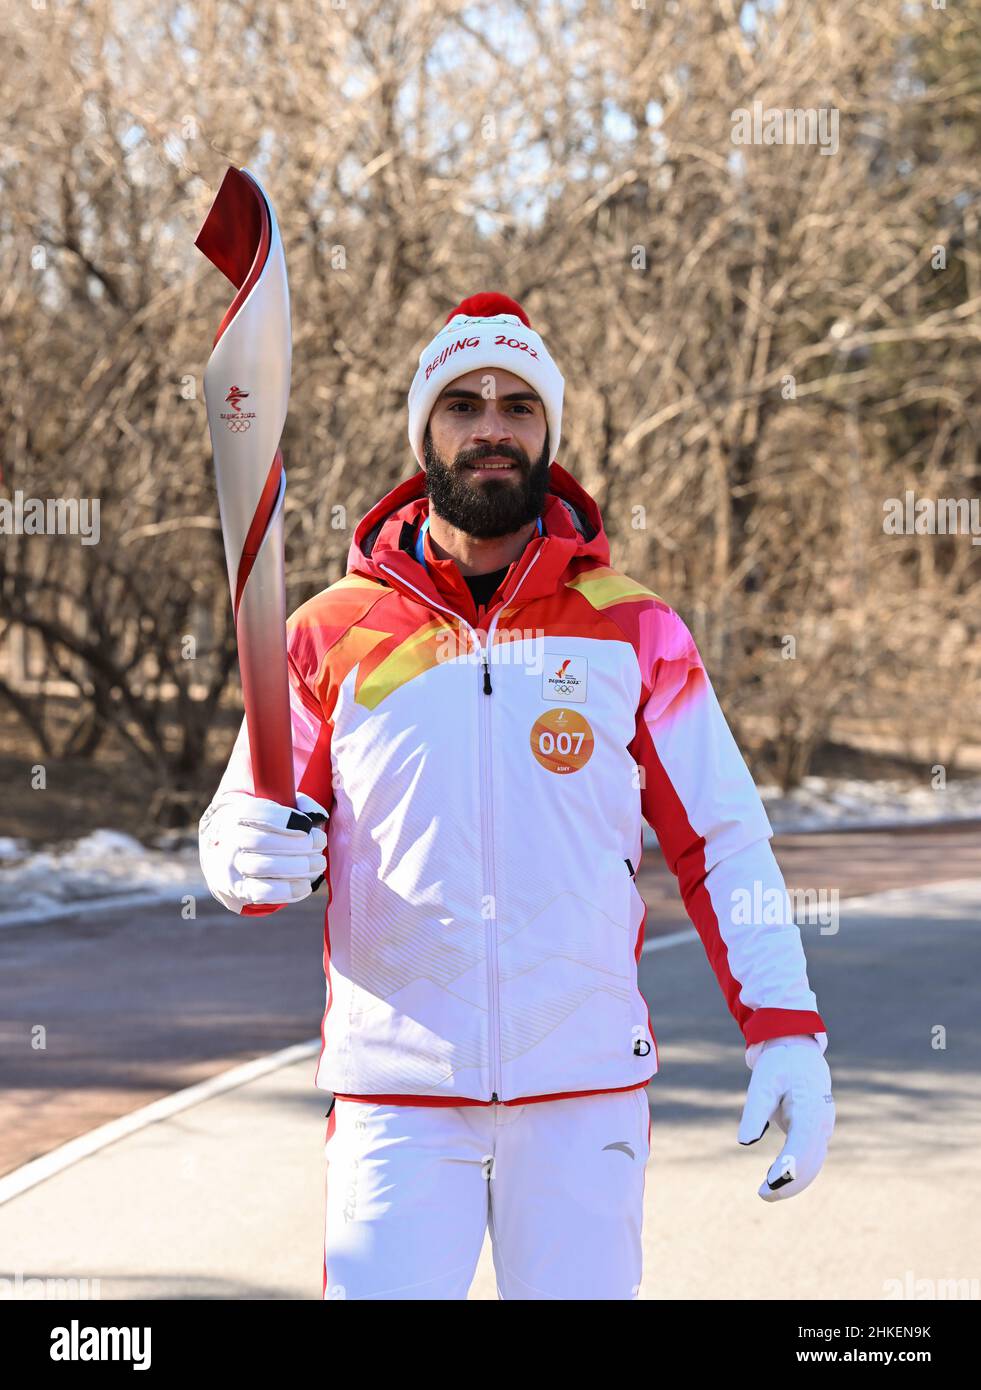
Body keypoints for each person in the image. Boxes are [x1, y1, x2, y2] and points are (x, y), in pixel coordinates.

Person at [199, 292, 835, 1301]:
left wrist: (786, 1029)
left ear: (547, 434)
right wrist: (235, 851)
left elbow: (722, 842)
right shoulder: (327, 632)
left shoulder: (635, 629)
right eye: (462, 403)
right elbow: (254, 814)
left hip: (582, 1100)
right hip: (395, 1104)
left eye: (517, 406)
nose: (491, 425)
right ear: (426, 434)